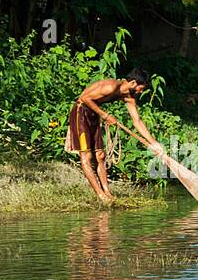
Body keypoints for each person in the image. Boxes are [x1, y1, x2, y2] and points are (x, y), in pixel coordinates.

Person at [65, 69, 154, 203]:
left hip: (94, 115)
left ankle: (108, 193)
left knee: (100, 155)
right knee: (87, 156)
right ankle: (100, 195)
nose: (141, 92)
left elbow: (137, 121)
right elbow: (84, 98)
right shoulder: (111, 86)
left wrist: (153, 142)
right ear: (133, 83)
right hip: (80, 113)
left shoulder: (128, 97)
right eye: (141, 88)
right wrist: (105, 115)